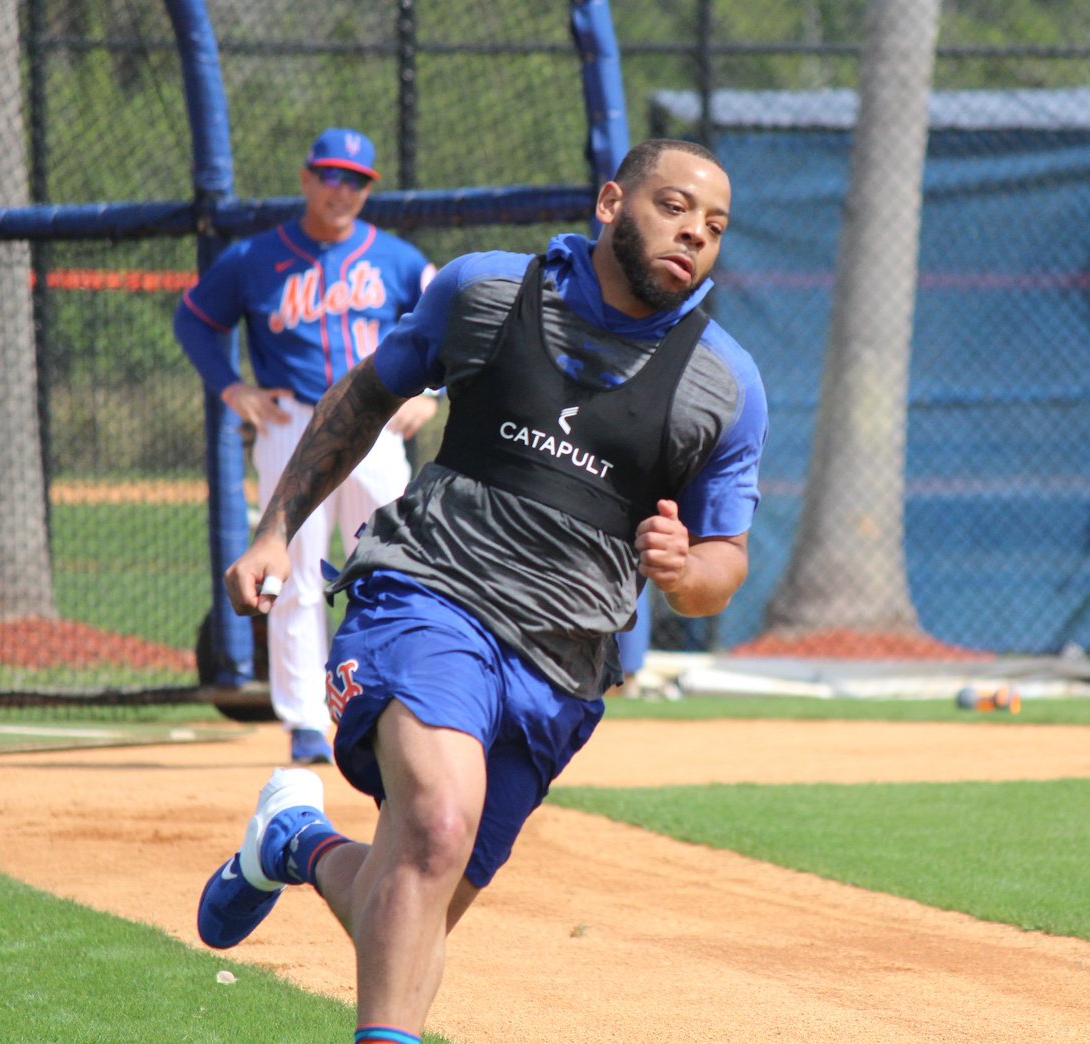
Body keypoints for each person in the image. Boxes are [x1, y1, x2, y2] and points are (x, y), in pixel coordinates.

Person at [195, 138, 768, 1043]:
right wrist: (276, 532)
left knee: (407, 905)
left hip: (565, 666)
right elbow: (364, 396)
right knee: (437, 822)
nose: (695, 233)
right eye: (674, 207)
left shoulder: (724, 385)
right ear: (612, 203)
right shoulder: (487, 290)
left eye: (716, 226)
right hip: (431, 593)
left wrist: (685, 569)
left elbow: (722, 567)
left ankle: (295, 842)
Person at [174, 128, 438, 766]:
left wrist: (430, 393)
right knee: (289, 577)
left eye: (355, 180)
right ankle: (304, 721)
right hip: (291, 422)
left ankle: (396, 704)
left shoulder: (400, 259)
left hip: (374, 421)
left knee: (396, 566)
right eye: (331, 175)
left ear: (367, 190)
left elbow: (449, 322)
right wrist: (233, 389)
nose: (342, 189)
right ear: (306, 178)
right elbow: (194, 319)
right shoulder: (253, 257)